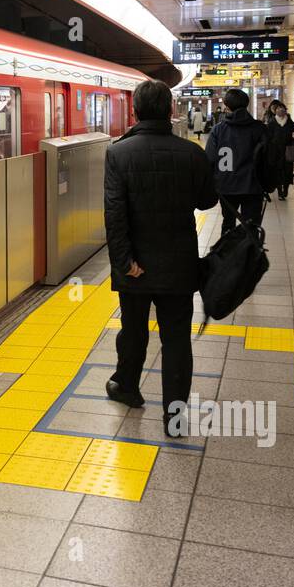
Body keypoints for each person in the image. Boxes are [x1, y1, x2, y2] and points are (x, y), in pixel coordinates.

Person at [103, 80, 218, 435]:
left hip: (134, 267)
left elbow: (114, 213)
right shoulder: (192, 153)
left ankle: (127, 387)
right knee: (176, 339)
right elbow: (207, 202)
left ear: (134, 110)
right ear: (170, 110)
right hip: (179, 264)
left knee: (134, 331)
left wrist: (125, 262)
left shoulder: (118, 153)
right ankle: (175, 416)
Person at [206, 88, 269, 235]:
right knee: (251, 228)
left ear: (227, 106)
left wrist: (212, 185)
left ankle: (227, 255)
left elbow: (210, 159)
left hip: (226, 187)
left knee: (228, 224)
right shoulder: (260, 129)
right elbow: (269, 159)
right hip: (253, 187)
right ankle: (249, 255)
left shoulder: (218, 130)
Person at [265, 100, 294, 201]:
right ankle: (280, 191)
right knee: (277, 172)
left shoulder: (292, 124)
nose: (280, 110)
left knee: (288, 172)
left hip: (287, 153)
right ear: (275, 111)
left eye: (282, 109)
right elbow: (267, 139)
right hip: (275, 153)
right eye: (278, 109)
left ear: (285, 110)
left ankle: (285, 189)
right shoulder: (271, 124)